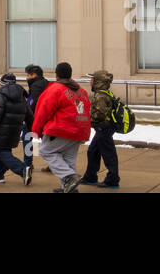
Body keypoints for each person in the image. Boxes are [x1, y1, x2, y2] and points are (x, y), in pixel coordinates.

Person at [28, 62, 91, 193]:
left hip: (61, 129)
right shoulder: (82, 91)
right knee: (69, 159)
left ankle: (69, 178)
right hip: (79, 129)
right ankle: (70, 188)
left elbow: (43, 111)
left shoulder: (55, 89)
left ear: (56, 74)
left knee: (46, 151)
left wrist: (36, 131)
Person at [0, 72, 29, 185]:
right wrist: (33, 128)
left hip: (0, 131)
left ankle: (23, 170)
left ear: (2, 83)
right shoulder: (21, 97)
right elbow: (29, 115)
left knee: (1, 152)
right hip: (15, 131)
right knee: (4, 151)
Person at [79, 69, 119, 188]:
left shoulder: (101, 95)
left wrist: (88, 118)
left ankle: (112, 180)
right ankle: (90, 176)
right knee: (92, 151)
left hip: (104, 128)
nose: (90, 81)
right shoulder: (103, 93)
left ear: (98, 81)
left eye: (92, 79)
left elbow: (100, 114)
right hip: (103, 128)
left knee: (108, 154)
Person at [22, 64, 49, 176]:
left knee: (27, 138)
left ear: (34, 75)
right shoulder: (46, 83)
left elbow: (35, 102)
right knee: (46, 141)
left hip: (34, 118)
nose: (27, 77)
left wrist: (28, 113)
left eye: (28, 75)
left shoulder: (35, 86)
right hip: (45, 117)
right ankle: (52, 163)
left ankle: (28, 163)